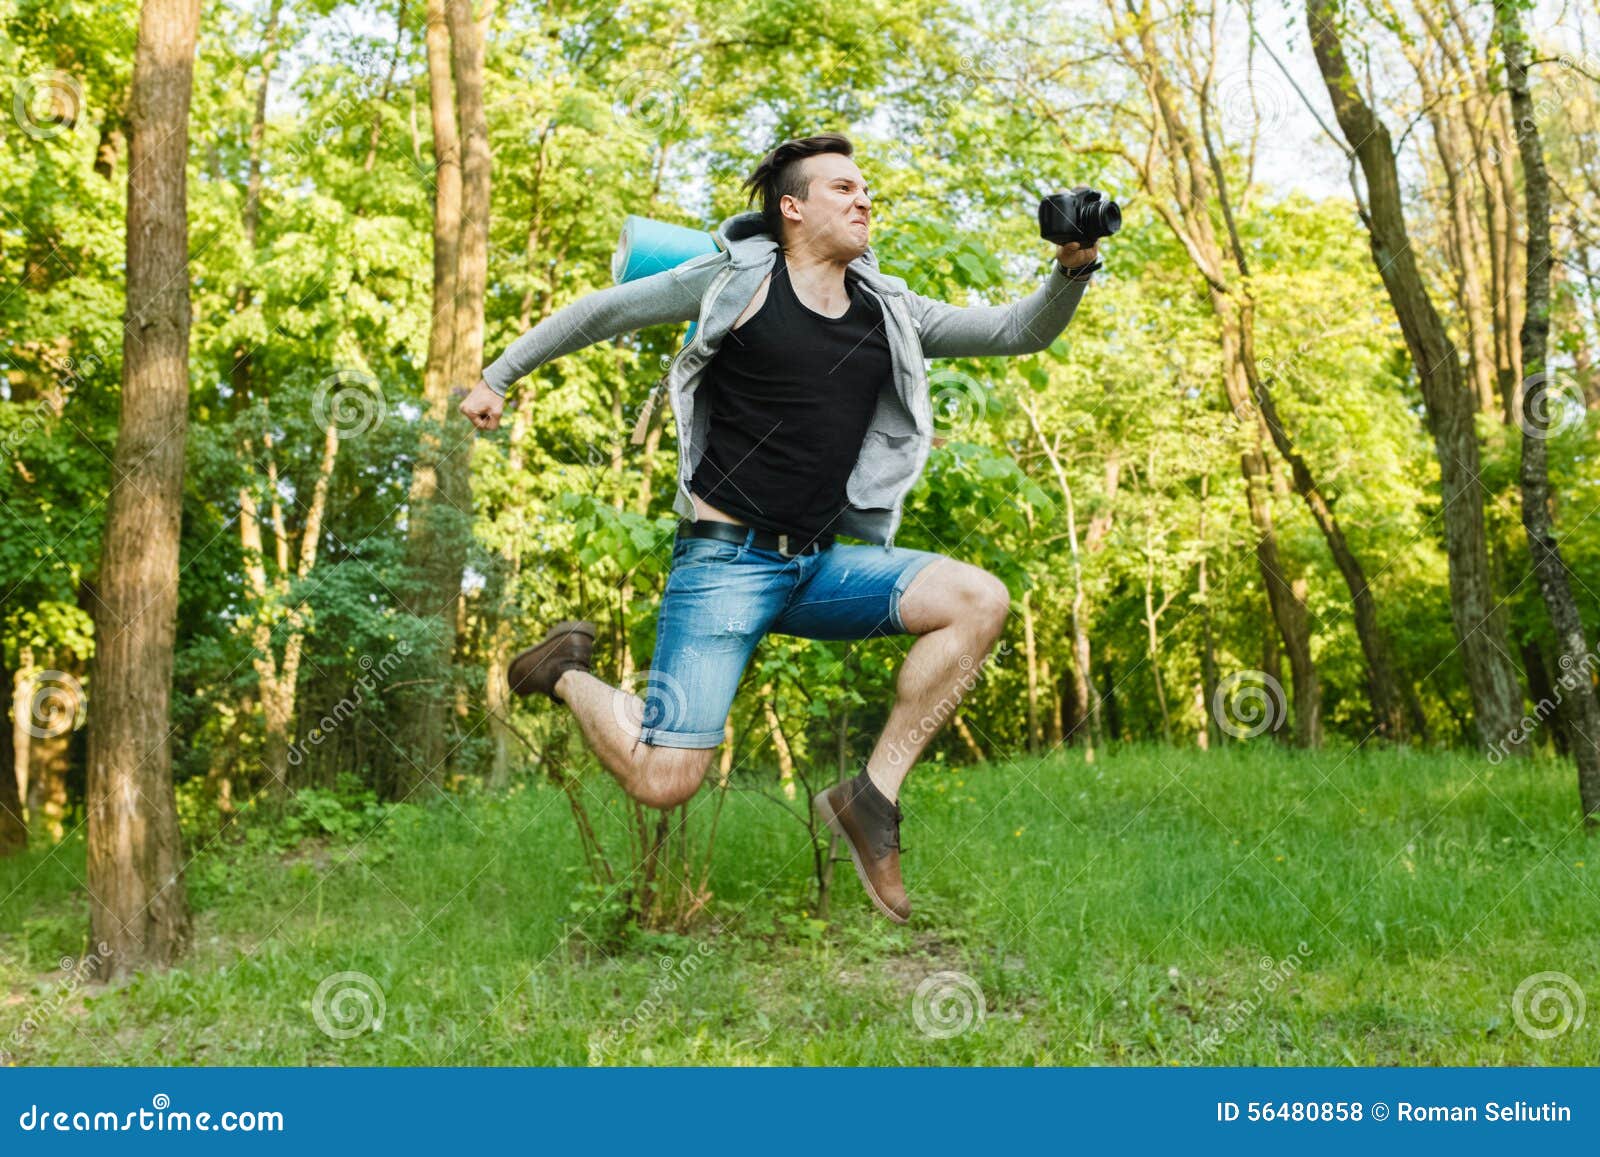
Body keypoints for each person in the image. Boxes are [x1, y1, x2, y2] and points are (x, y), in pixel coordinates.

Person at [457, 132, 1101, 922]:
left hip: (819, 567)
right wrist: (498, 377)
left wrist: (1073, 267)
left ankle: (871, 799)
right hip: (724, 567)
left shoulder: (889, 309)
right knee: (667, 781)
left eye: (867, 188)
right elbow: (604, 311)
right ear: (792, 208)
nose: (864, 199)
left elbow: (1017, 331)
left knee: (978, 599)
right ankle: (562, 670)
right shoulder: (738, 281)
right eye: (842, 188)